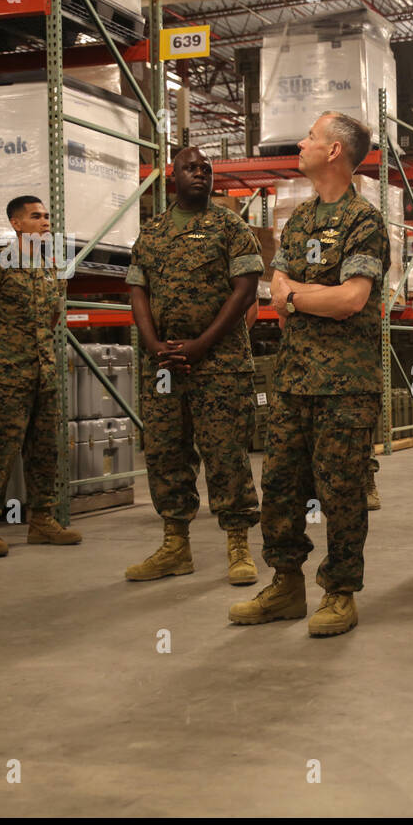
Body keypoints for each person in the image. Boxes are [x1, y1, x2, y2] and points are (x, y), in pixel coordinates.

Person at [228, 112, 390, 637]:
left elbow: (350, 299)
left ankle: (340, 593)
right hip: (293, 379)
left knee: (341, 490)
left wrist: (296, 295)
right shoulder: (298, 220)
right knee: (279, 485)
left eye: (312, 137)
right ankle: (286, 585)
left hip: (345, 384)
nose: (301, 143)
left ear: (335, 151)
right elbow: (276, 282)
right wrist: (298, 294)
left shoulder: (364, 221)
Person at [126, 147, 263, 585]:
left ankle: (238, 545)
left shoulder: (231, 227)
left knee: (226, 453)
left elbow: (245, 289)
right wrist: (152, 345)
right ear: (174, 178)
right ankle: (174, 545)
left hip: (219, 362)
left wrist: (203, 343)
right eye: (191, 168)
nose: (201, 173)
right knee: (166, 451)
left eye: (206, 168)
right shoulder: (152, 233)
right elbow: (138, 292)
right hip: (164, 364)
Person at [0, 195, 82, 557]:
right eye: (36, 216)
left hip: (44, 375)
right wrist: (1, 356)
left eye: (47, 216)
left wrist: (37, 355)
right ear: (16, 224)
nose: (45, 222)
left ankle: (41, 521)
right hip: (7, 376)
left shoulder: (53, 268)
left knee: (45, 449)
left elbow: (53, 319)